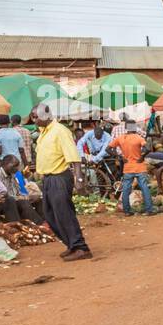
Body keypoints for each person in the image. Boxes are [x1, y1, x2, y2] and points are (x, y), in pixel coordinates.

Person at [33, 105, 92, 261]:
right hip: (48, 178)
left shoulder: (60, 131)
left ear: (44, 116)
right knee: (50, 215)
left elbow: (74, 157)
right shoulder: (43, 132)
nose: (33, 120)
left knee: (64, 214)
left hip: (59, 177)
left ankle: (81, 248)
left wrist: (79, 180)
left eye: (35, 116)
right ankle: (71, 245)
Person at [112, 121, 155, 216]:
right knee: (144, 188)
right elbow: (147, 148)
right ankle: (149, 210)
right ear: (134, 127)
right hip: (140, 167)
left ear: (126, 127)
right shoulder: (138, 138)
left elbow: (109, 148)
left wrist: (119, 156)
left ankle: (127, 211)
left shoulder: (120, 138)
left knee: (126, 189)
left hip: (127, 168)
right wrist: (142, 157)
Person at [0, 156, 46, 223]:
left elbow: (17, 192)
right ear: (6, 164)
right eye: (15, 165)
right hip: (6, 203)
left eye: (18, 165)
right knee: (24, 203)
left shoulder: (12, 174)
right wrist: (23, 198)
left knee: (39, 199)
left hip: (16, 199)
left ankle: (44, 222)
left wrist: (27, 196)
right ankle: (39, 224)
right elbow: (4, 196)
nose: (17, 168)